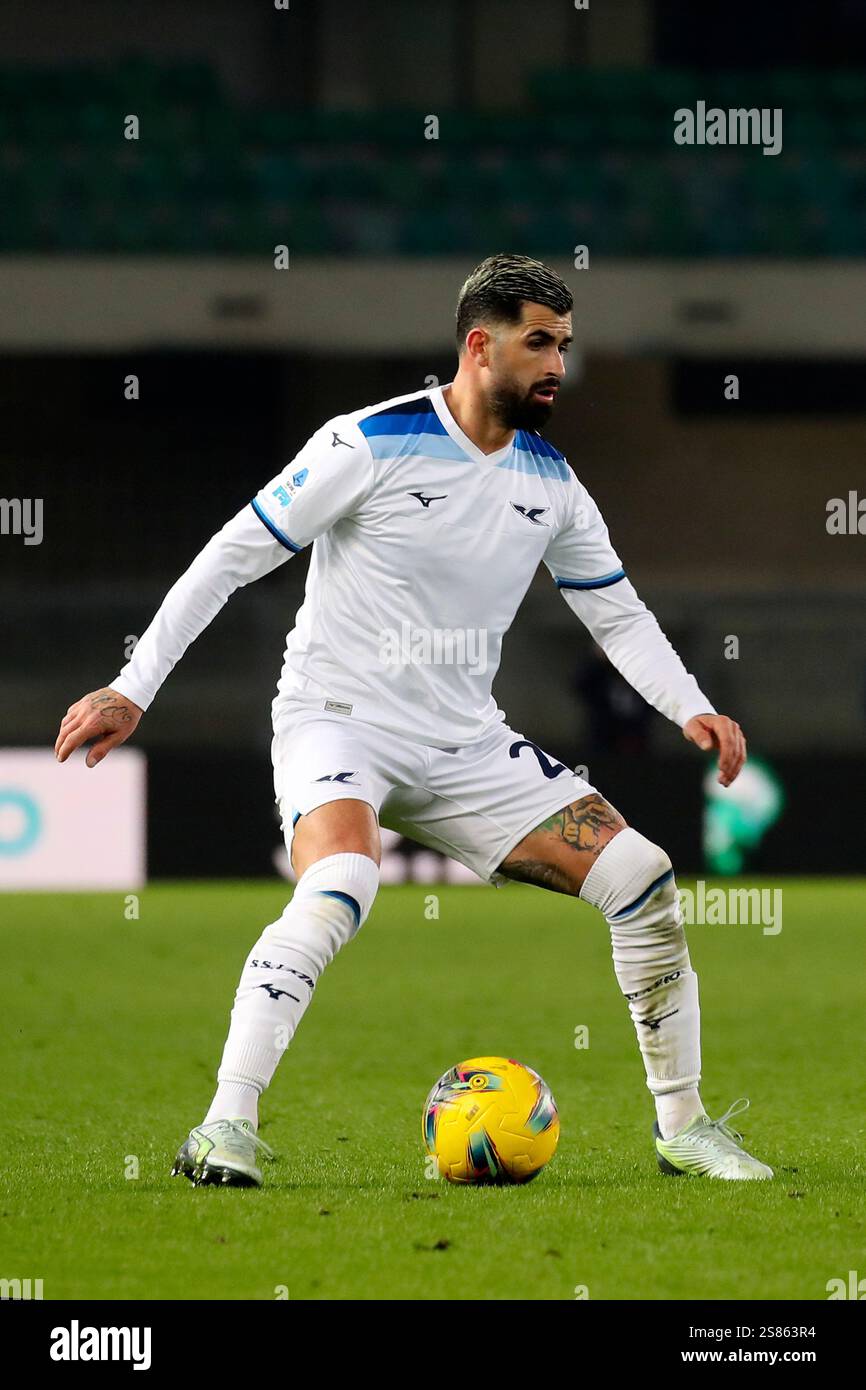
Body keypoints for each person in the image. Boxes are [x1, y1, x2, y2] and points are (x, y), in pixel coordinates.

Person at [55, 254, 770, 1186]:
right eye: (539, 342)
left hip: (466, 741)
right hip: (338, 720)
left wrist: (693, 706)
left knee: (642, 877)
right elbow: (231, 555)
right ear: (480, 345)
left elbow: (617, 610)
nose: (559, 363)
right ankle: (225, 1125)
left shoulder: (551, 482)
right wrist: (132, 685)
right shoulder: (368, 442)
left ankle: (684, 1128)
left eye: (565, 342)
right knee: (344, 880)